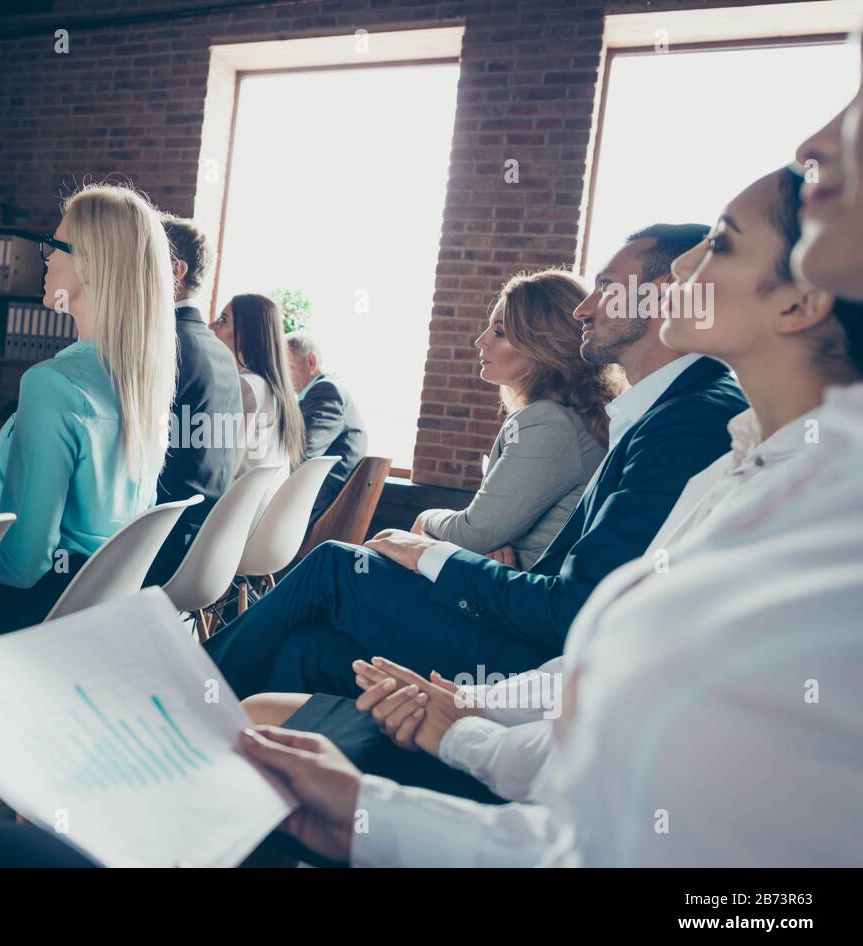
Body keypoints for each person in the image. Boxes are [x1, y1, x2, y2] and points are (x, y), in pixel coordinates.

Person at [305, 165, 863, 802]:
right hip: (549, 708)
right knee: (307, 654)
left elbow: (602, 660)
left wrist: (463, 727)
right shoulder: (732, 454)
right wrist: (470, 707)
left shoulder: (717, 438)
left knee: (333, 579)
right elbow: (603, 657)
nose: (683, 272)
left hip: (586, 763)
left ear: (800, 302)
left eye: (723, 244)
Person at [203, 224, 747, 699]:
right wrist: (488, 566)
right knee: (307, 649)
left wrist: (431, 551)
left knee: (337, 568)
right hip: (529, 622)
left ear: (668, 295)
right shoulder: (658, 408)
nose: (586, 307)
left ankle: (168, 694)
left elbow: (573, 607)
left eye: (605, 287)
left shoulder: (687, 419)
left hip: (547, 660)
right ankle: (205, 756)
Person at [0, 184, 178, 638]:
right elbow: (94, 524)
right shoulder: (141, 386)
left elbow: (20, 568)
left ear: (91, 263)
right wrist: (13, 499)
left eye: (55, 245)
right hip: (90, 623)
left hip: (22, 621)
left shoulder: (51, 384)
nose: (46, 258)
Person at [409, 270, 618, 571]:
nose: (481, 341)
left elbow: (474, 533)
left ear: (544, 344)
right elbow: (483, 535)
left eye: (500, 332)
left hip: (513, 599)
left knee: (336, 560)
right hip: (501, 582)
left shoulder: (548, 422)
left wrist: (425, 518)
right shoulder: (565, 417)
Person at [144, 216, 242, 586]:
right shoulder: (218, 351)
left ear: (175, 270)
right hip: (204, 541)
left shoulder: (166, 345)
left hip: (158, 544)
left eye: (145, 259)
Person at [210, 294, 305, 484]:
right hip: (262, 509)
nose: (211, 326)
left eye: (223, 320)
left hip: (233, 510)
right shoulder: (275, 389)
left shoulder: (247, 386)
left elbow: (224, 468)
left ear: (247, 333)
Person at [283, 331, 369, 526]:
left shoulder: (326, 391)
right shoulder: (323, 391)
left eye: (287, 366)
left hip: (318, 509)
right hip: (318, 503)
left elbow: (304, 452)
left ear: (311, 362)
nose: (283, 374)